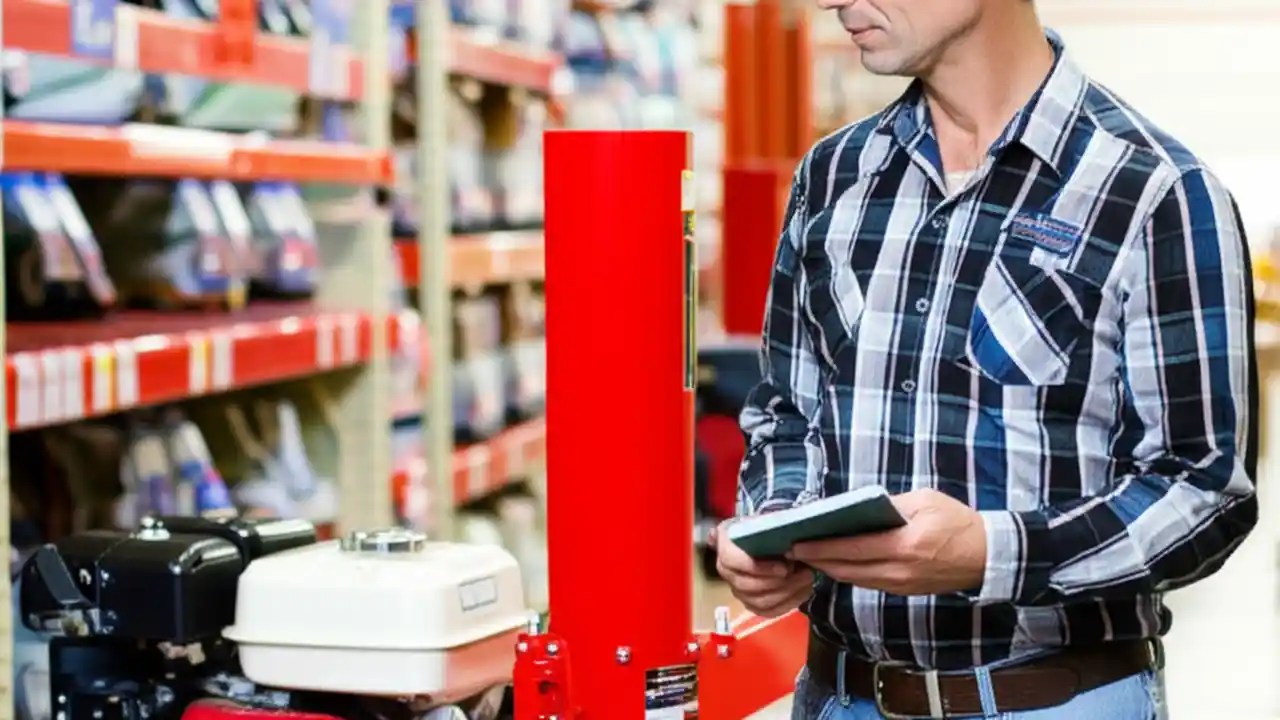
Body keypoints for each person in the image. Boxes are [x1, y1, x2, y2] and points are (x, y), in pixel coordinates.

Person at [711, 0, 1259, 717]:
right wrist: (774, 523)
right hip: (838, 695)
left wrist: (989, 551)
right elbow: (787, 413)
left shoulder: (1154, 193)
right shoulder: (834, 176)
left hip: (1052, 699)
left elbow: (1201, 493)